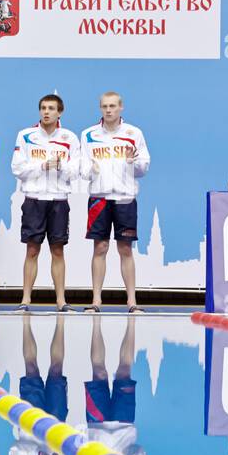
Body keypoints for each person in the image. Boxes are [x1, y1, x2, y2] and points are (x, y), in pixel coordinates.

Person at [81, 92, 151, 313]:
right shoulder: (88, 134)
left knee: (125, 249)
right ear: (100, 108)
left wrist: (133, 162)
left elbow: (144, 167)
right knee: (100, 247)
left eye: (112, 106)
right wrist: (89, 169)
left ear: (121, 107)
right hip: (99, 198)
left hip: (125, 198)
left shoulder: (134, 133)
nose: (108, 110)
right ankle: (96, 301)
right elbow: (80, 167)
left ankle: (132, 302)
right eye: (104, 106)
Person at [12, 93, 80, 312]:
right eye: (43, 108)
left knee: (58, 250)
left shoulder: (69, 138)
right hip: (34, 199)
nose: (47, 112)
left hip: (59, 200)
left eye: (51, 108)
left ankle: (61, 301)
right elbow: (17, 168)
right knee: (32, 250)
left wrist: (60, 167)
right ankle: (25, 300)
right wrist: (42, 166)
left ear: (60, 112)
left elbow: (77, 170)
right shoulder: (26, 136)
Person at [10, 313, 76, 455]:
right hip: (56, 423)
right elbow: (75, 453)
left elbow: (14, 451)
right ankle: (61, 319)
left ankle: (25, 319)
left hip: (30, 423)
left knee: (31, 368)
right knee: (56, 369)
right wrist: (60, 450)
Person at [80, 314, 146, 455]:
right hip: (123, 424)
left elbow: (79, 453)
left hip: (96, 423)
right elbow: (139, 453)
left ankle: (96, 319)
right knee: (124, 370)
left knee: (98, 371)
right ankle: (132, 321)